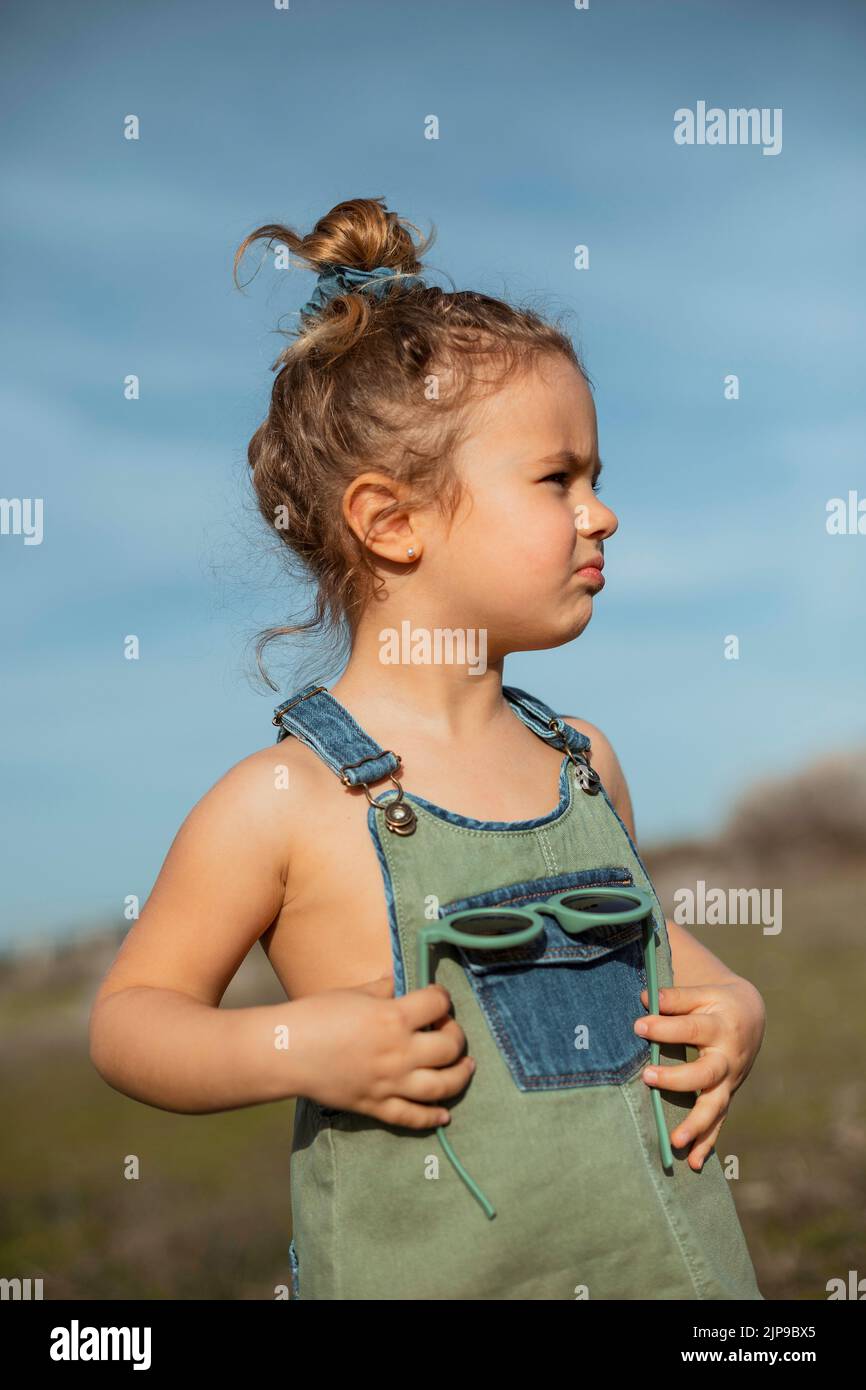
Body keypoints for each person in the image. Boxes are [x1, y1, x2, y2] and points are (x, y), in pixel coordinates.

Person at [89, 196, 765, 1300]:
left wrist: (731, 995)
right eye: (558, 480)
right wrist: (295, 1045)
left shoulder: (582, 756)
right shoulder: (282, 800)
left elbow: (647, 940)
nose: (601, 516)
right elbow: (130, 1022)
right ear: (391, 520)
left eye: (596, 478)